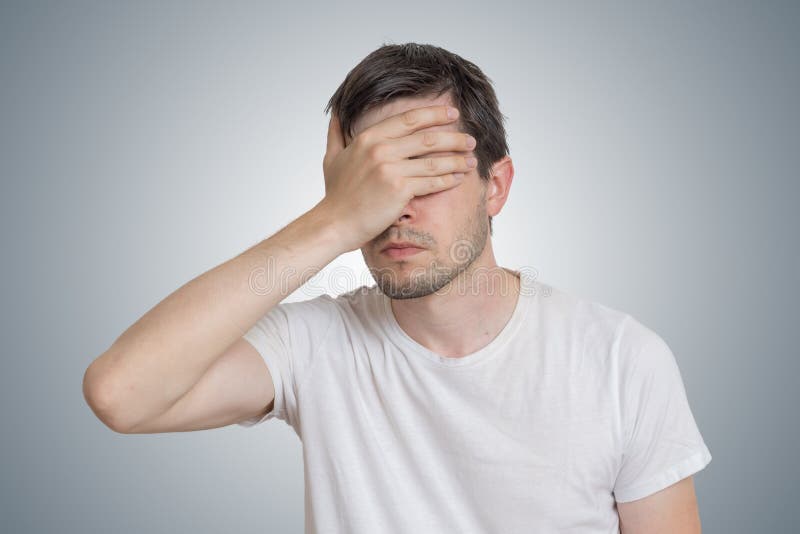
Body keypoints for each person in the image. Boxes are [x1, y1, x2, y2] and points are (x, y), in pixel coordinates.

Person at [82, 42, 712, 533]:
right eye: (374, 184)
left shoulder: (620, 360)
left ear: (496, 186)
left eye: (425, 174)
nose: (395, 211)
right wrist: (331, 221)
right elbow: (121, 393)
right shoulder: (317, 345)